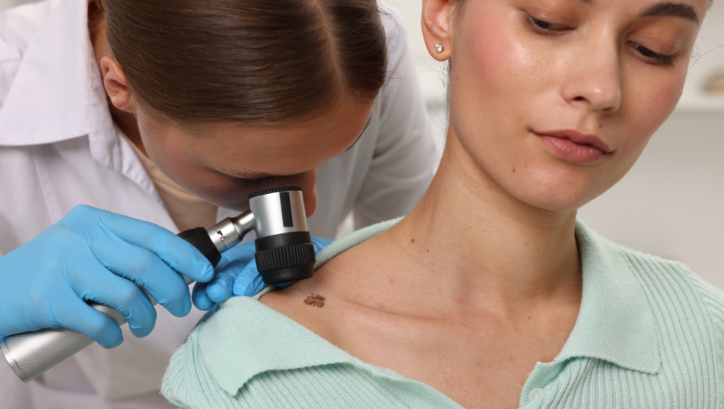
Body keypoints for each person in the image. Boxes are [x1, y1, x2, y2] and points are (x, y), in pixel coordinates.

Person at [162, 0, 724, 407]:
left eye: (654, 49)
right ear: (443, 14)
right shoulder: (250, 369)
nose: (601, 89)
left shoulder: (704, 339)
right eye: (547, 21)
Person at [0, 0, 439, 407]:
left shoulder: (351, 50)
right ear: (118, 86)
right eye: (252, 176)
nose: (309, 202)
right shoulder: (6, 80)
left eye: (337, 153)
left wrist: (353, 279)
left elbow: (426, 260)